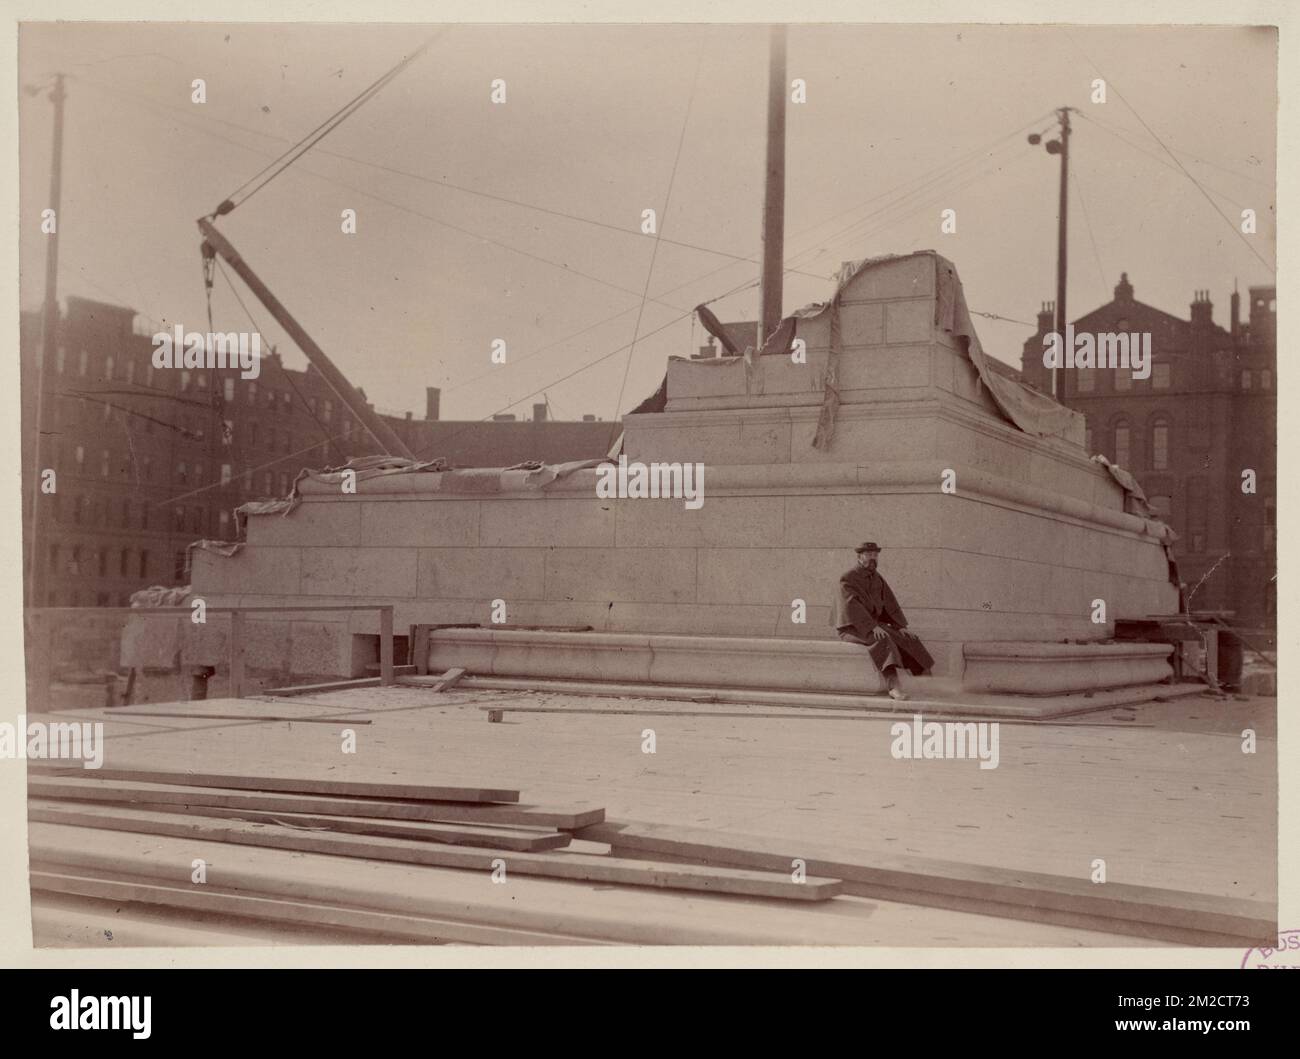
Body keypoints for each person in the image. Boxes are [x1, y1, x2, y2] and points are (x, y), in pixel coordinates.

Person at [832, 541, 934, 701]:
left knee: (908, 639)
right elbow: (851, 606)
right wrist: (872, 627)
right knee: (883, 639)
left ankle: (926, 682)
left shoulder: (877, 578)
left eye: (875, 555)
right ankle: (894, 687)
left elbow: (889, 602)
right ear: (859, 557)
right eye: (869, 555)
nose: (873, 558)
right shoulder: (848, 578)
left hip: (872, 625)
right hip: (851, 628)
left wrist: (899, 626)